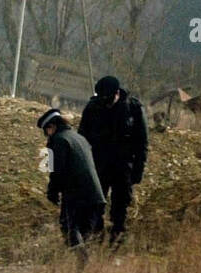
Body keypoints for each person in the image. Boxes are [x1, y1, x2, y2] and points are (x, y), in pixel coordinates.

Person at [78, 75, 148, 245]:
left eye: (109, 99)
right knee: (94, 204)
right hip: (99, 164)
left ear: (117, 93)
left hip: (123, 166)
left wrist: (138, 169)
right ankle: (96, 236)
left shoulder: (133, 108)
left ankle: (117, 240)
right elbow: (82, 138)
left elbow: (142, 142)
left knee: (120, 207)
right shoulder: (93, 108)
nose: (106, 104)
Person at [37, 108, 105, 258]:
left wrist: (52, 192)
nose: (46, 135)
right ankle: (91, 270)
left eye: (46, 131)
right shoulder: (79, 137)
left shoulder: (59, 140)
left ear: (52, 127)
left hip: (77, 195)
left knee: (69, 229)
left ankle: (82, 266)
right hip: (95, 195)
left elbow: (57, 171)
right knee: (86, 235)